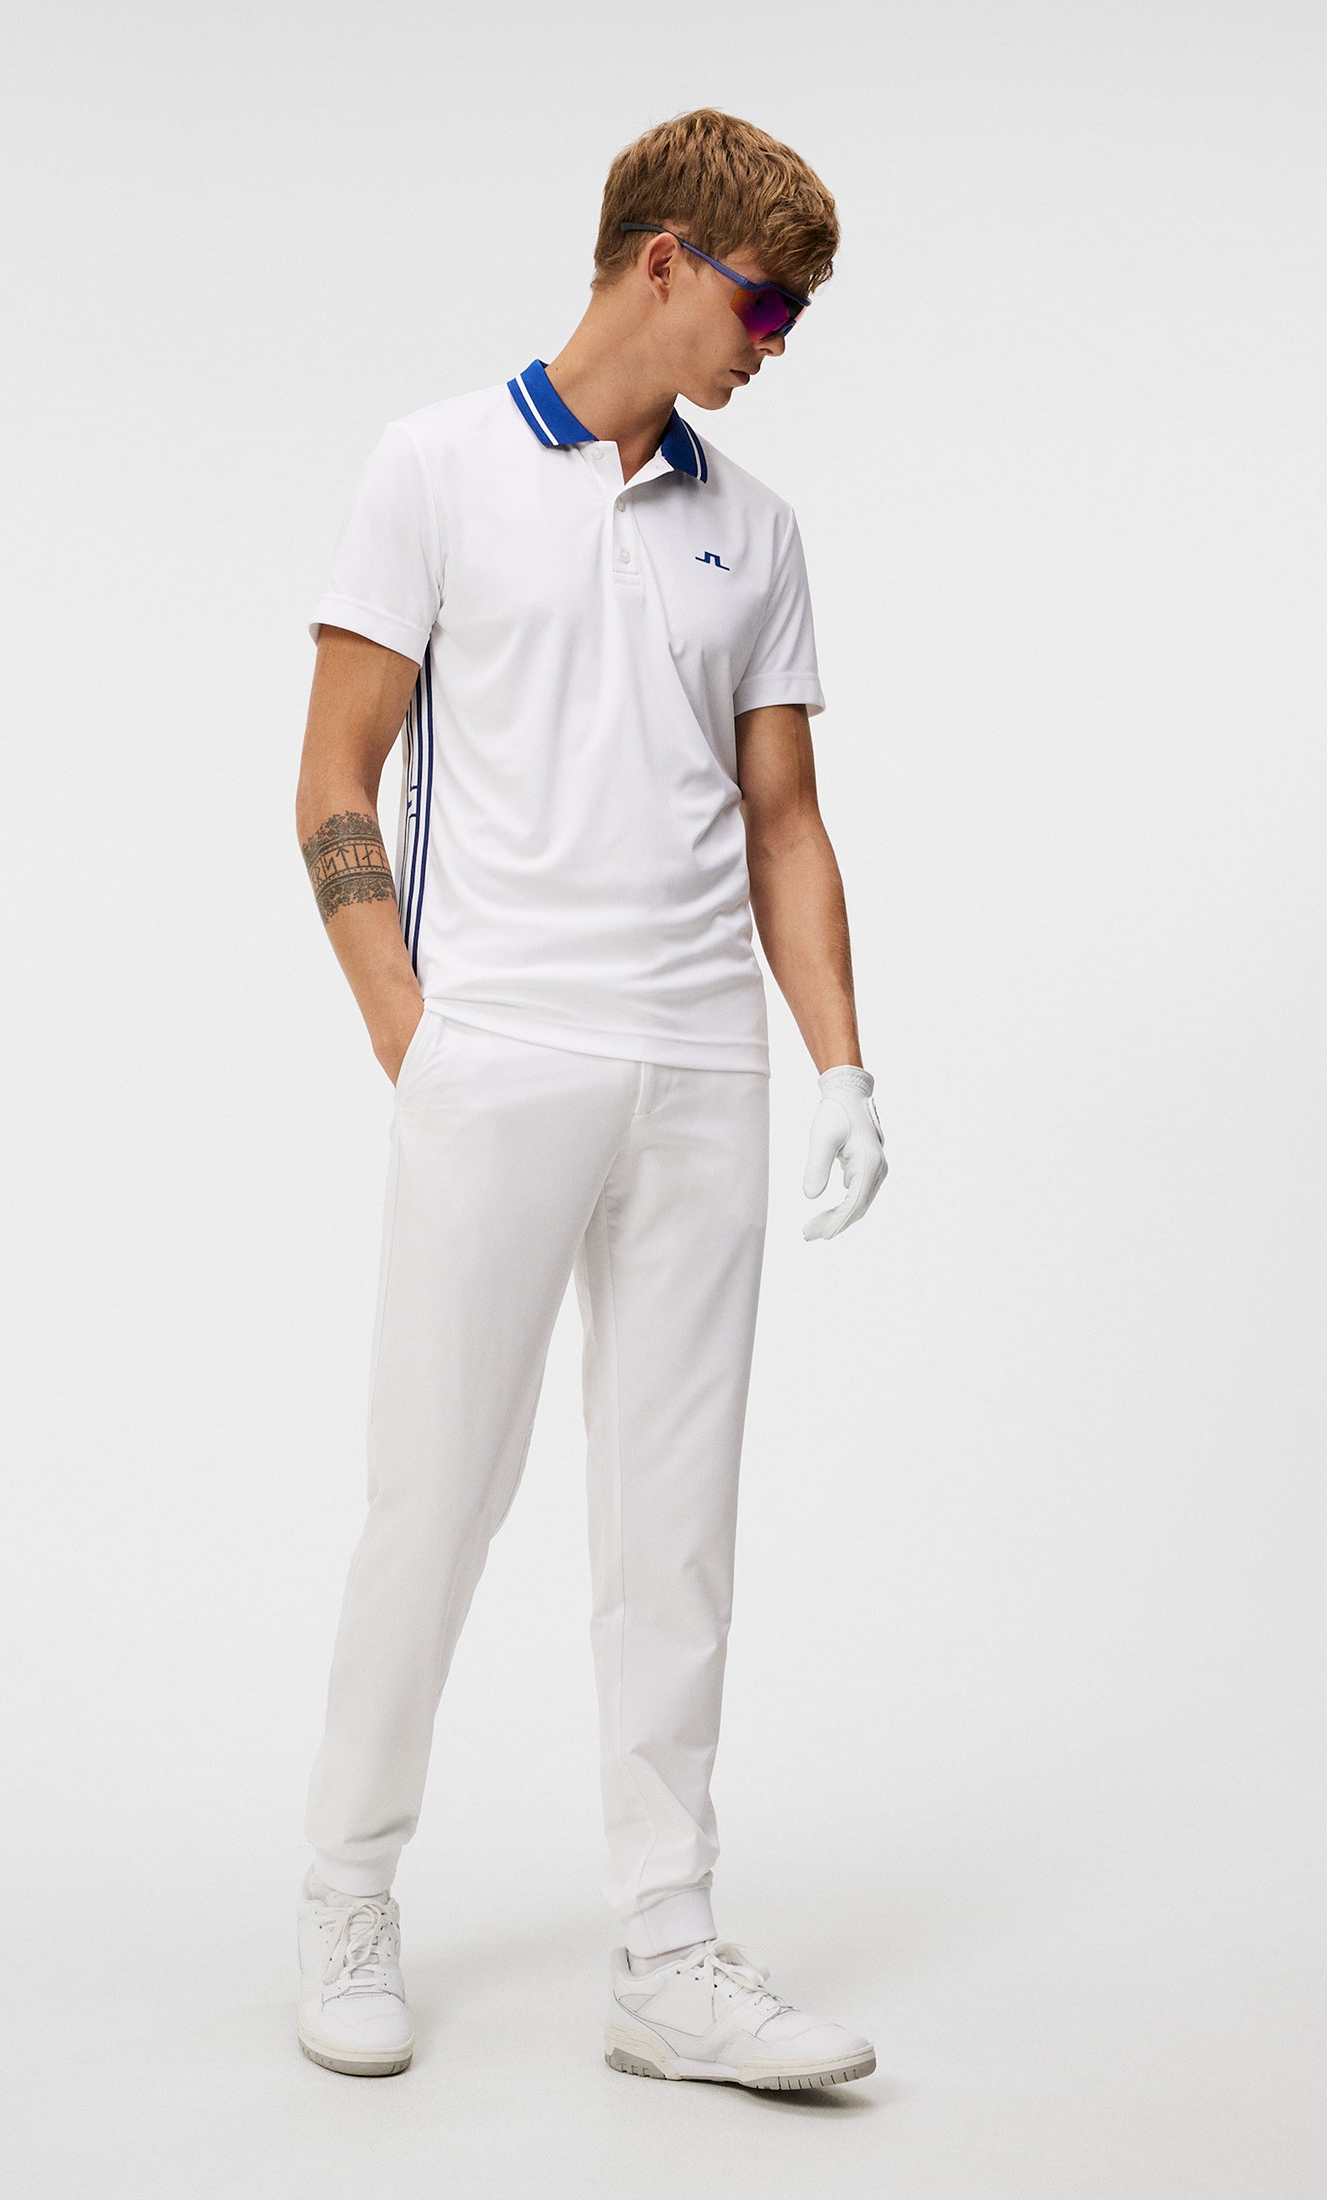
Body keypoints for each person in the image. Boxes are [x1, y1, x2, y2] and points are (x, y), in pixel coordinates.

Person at [292, 106, 888, 2091]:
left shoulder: (756, 528)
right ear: (659, 260)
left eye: (794, 318)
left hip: (701, 1067)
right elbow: (334, 771)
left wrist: (841, 1061)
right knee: (435, 1494)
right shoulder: (434, 468)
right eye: (762, 304)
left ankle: (667, 1947)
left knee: (675, 1524)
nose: (775, 343)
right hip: (505, 1053)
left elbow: (786, 820)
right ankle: (346, 1892)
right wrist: (414, 1028)